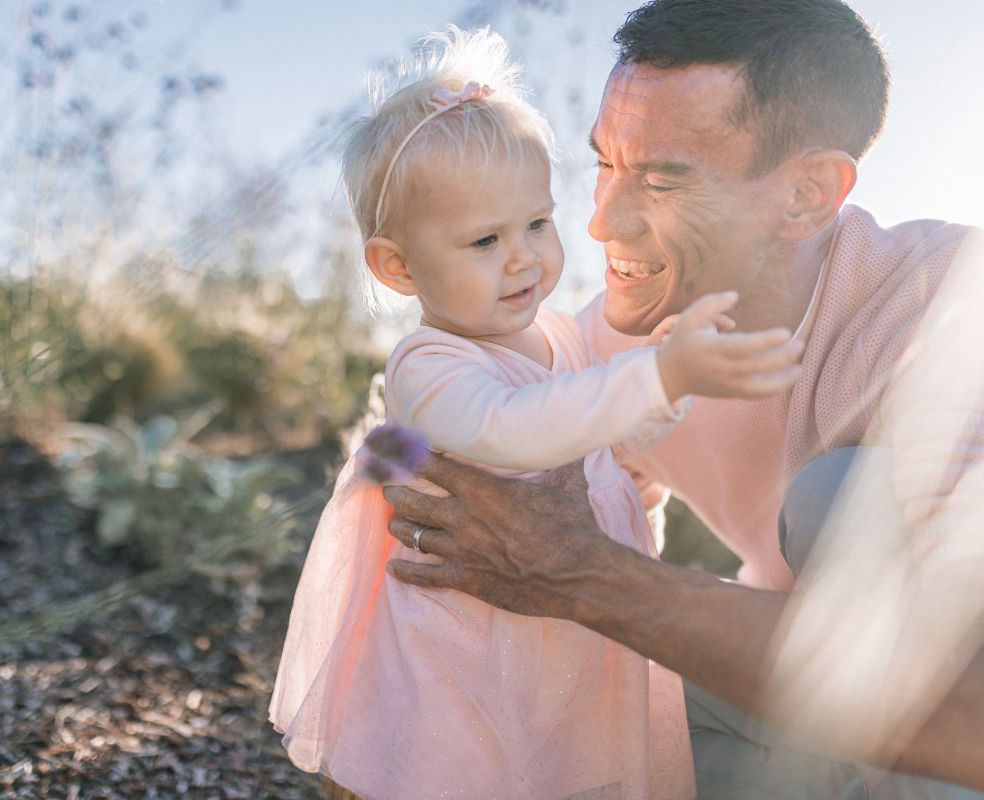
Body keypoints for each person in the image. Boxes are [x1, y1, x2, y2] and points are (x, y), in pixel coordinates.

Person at [381, 0, 984, 796]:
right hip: (816, 707)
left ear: (808, 193)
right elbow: (594, 517)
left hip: (953, 737)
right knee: (590, 716)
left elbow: (974, 715)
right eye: (605, 165)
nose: (601, 223)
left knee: (843, 500)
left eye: (663, 180)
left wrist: (587, 576)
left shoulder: (949, 314)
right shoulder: (612, 356)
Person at [268, 26, 805, 800]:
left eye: (536, 223)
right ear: (398, 265)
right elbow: (518, 434)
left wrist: (671, 388)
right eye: (485, 239)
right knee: (460, 769)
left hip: (562, 637)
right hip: (468, 645)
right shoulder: (429, 367)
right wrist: (651, 375)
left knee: (563, 764)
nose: (523, 257)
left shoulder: (555, 335)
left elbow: (602, 438)